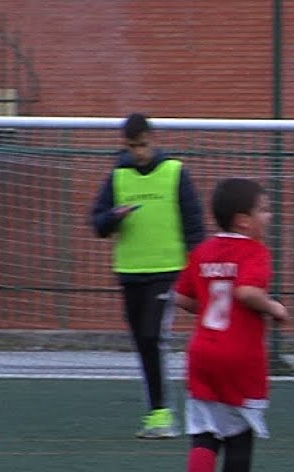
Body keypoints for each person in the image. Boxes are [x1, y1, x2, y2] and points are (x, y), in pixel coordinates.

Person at [173, 178, 288, 472]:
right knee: (239, 444)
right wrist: (274, 308)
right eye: (263, 210)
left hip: (203, 352)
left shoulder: (203, 251)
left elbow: (182, 296)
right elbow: (246, 293)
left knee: (204, 435)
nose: (268, 216)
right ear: (243, 220)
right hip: (241, 358)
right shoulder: (256, 251)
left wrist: (206, 304)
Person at [91, 112, 205, 438]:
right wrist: (114, 216)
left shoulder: (175, 172)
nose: (138, 152)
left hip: (167, 272)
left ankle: (165, 417)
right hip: (129, 271)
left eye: (142, 145)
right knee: (142, 340)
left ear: (153, 140)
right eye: (131, 147)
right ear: (124, 145)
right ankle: (158, 412)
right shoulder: (118, 175)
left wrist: (196, 268)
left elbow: (194, 225)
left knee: (153, 335)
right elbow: (97, 223)